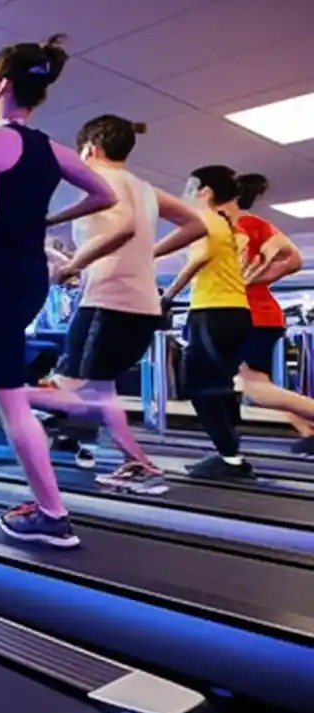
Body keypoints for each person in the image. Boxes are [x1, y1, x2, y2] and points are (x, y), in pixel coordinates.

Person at [0, 34, 118, 548]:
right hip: (28, 280)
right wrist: (49, 216)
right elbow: (102, 193)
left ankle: (52, 513)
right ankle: (56, 404)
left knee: (6, 399)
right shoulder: (52, 149)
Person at [31, 115, 207, 492]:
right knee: (101, 389)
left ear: (90, 149)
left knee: (65, 389)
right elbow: (196, 225)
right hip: (140, 306)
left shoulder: (101, 180)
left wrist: (74, 265)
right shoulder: (145, 189)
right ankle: (138, 463)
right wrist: (147, 256)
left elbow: (123, 227)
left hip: (108, 304)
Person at [153, 166, 253, 480]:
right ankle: (232, 454)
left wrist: (166, 296)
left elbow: (199, 256)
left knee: (200, 386)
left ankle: (230, 458)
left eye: (190, 185)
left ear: (205, 191)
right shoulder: (222, 222)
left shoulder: (205, 218)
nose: (186, 191)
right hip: (234, 311)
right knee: (219, 385)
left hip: (214, 311)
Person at [221, 173, 314, 451]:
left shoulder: (237, 227)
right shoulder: (259, 224)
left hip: (250, 315)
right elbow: (294, 261)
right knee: (259, 384)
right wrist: (261, 278)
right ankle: (307, 431)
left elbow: (291, 261)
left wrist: (247, 280)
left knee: (251, 387)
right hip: (262, 314)